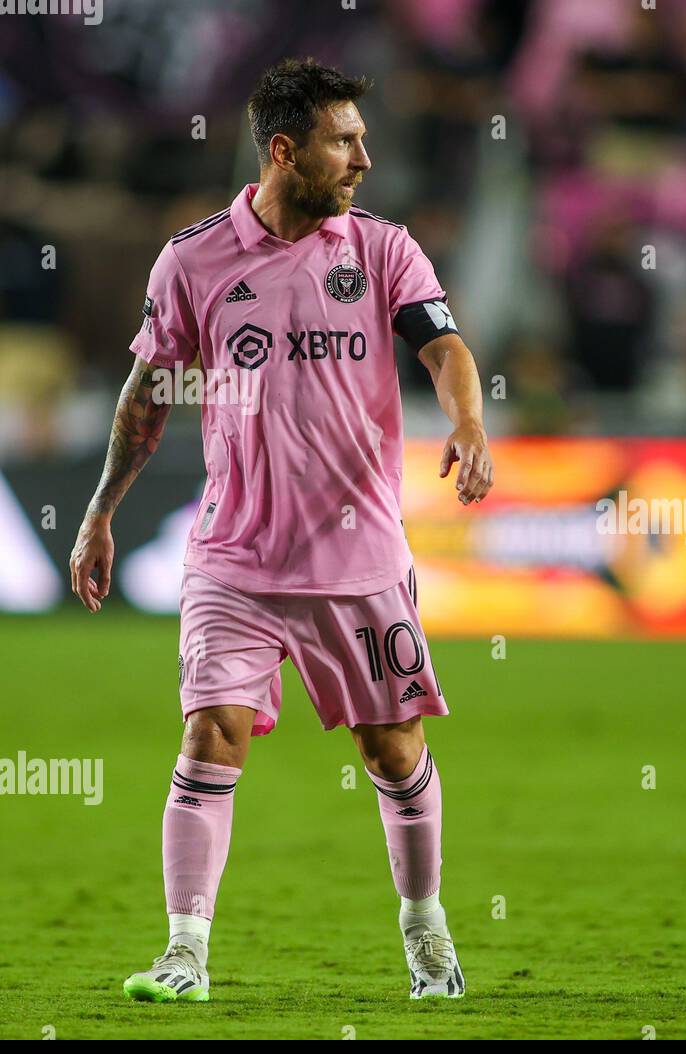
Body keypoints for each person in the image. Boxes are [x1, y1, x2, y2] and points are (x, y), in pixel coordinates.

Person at [69, 58, 494, 1003]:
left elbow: (446, 345)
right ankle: (185, 952)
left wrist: (466, 420)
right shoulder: (193, 260)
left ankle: (425, 927)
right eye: (345, 141)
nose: (364, 159)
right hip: (237, 557)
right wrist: (101, 509)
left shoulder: (382, 250)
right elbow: (149, 395)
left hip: (359, 558)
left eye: (363, 139)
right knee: (210, 736)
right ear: (284, 149)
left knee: (395, 754)